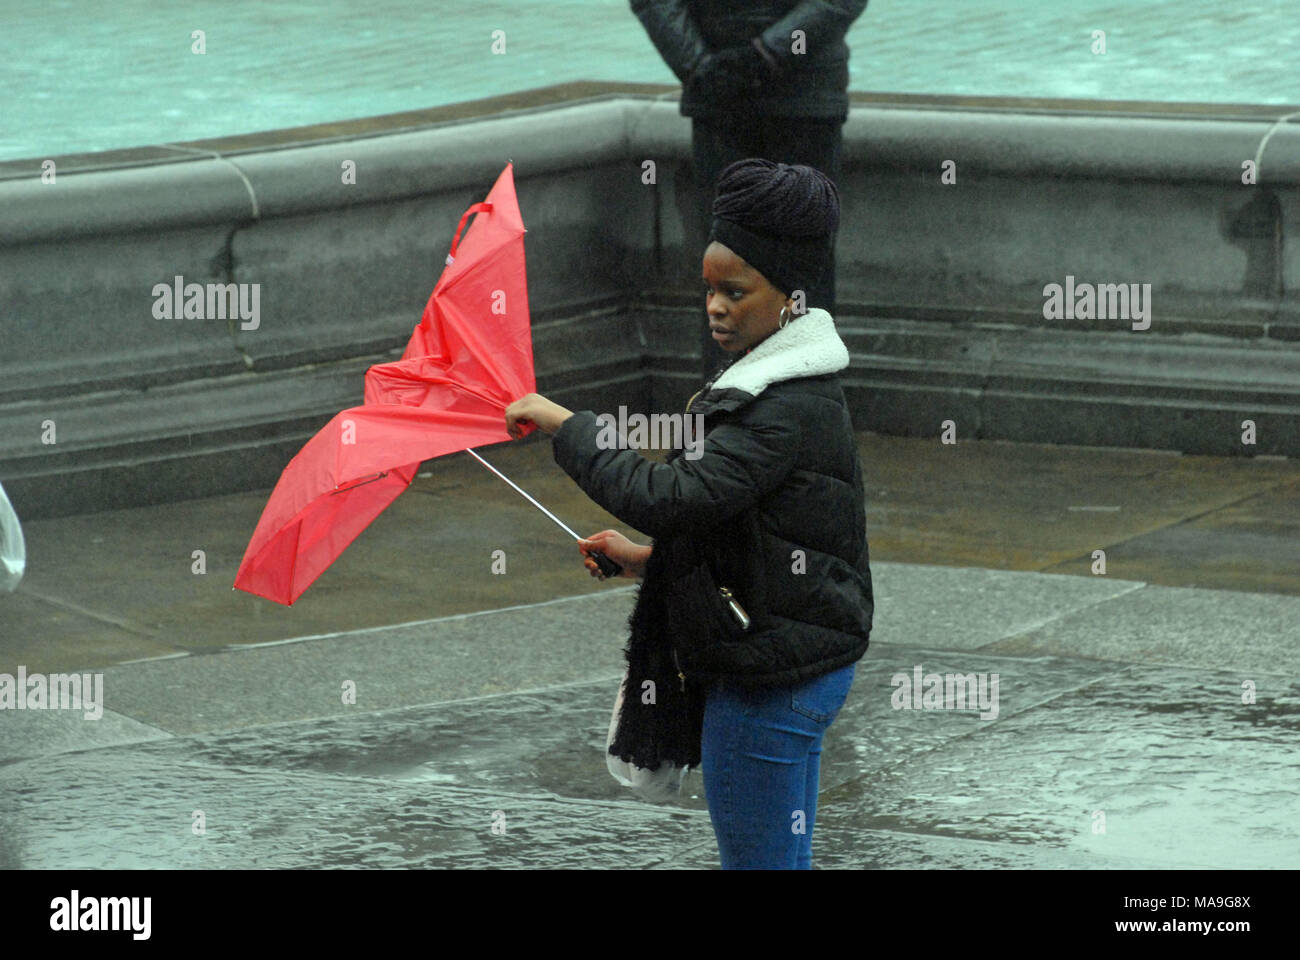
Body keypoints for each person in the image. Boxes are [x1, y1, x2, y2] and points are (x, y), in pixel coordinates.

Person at [504, 159, 872, 870]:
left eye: (736, 291)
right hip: (801, 660)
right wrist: (650, 560)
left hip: (766, 681)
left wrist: (567, 425)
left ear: (792, 297)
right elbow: (745, 526)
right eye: (708, 289)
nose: (715, 307)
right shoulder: (788, 386)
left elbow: (665, 498)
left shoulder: (778, 408)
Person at [629, 0, 870, 375]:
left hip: (735, 97)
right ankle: (803, 406)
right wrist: (762, 56)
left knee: (728, 261)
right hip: (800, 95)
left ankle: (729, 407)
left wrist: (708, 68)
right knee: (802, 265)